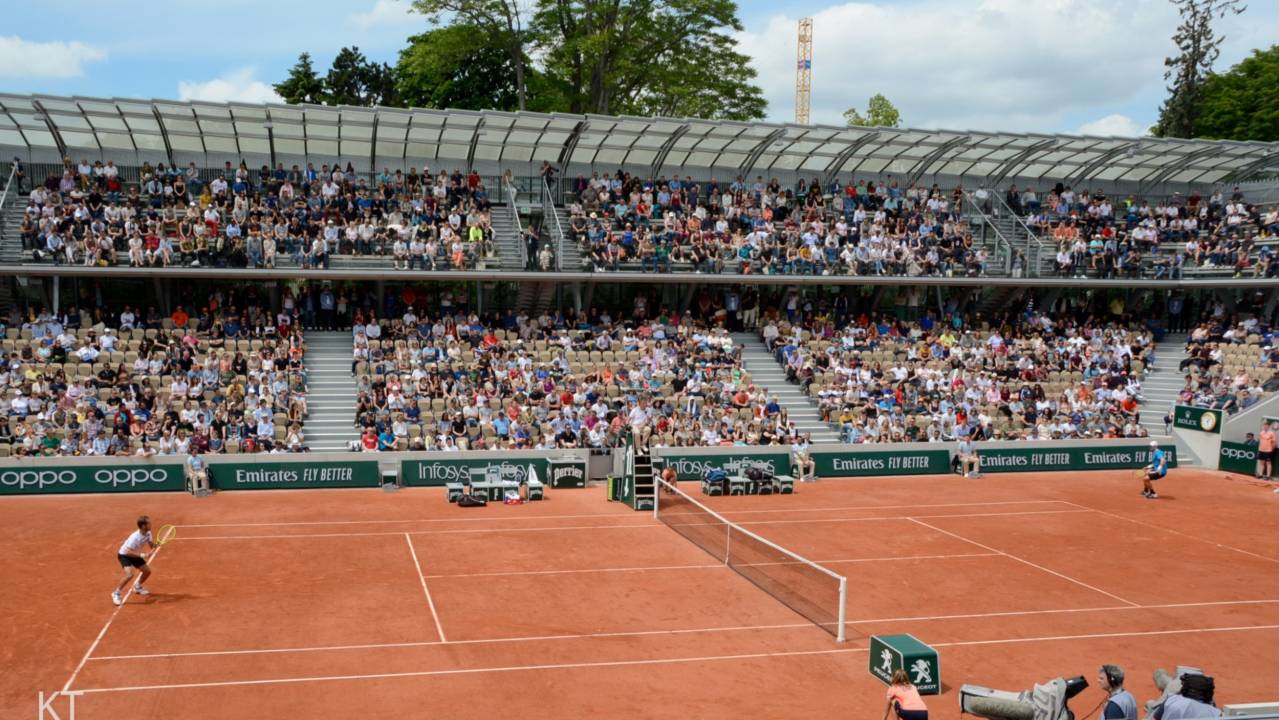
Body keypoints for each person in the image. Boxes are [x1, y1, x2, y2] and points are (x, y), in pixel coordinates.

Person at [112, 515, 158, 605]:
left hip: (135, 554)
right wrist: (143, 555)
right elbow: (128, 552)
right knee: (129, 574)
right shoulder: (135, 537)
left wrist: (155, 545)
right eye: (149, 523)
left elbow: (151, 545)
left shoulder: (148, 533)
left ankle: (137, 587)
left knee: (147, 571)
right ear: (143, 526)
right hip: (124, 555)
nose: (151, 525)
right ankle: (116, 593)